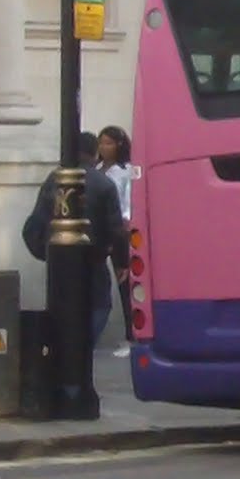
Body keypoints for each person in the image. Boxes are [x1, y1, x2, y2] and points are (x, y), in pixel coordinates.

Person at [21, 132, 128, 420]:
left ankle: (68, 372)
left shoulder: (52, 180)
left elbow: (33, 226)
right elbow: (117, 231)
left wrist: (47, 253)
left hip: (59, 266)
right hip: (92, 264)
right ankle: (77, 370)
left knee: (61, 314)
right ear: (94, 154)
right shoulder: (104, 184)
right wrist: (120, 263)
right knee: (99, 307)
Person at [97, 126, 134, 355]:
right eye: (101, 143)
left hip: (119, 230)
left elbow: (128, 204)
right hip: (100, 231)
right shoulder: (98, 169)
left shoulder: (125, 170)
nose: (104, 147)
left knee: (125, 282)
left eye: (108, 143)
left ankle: (132, 335)